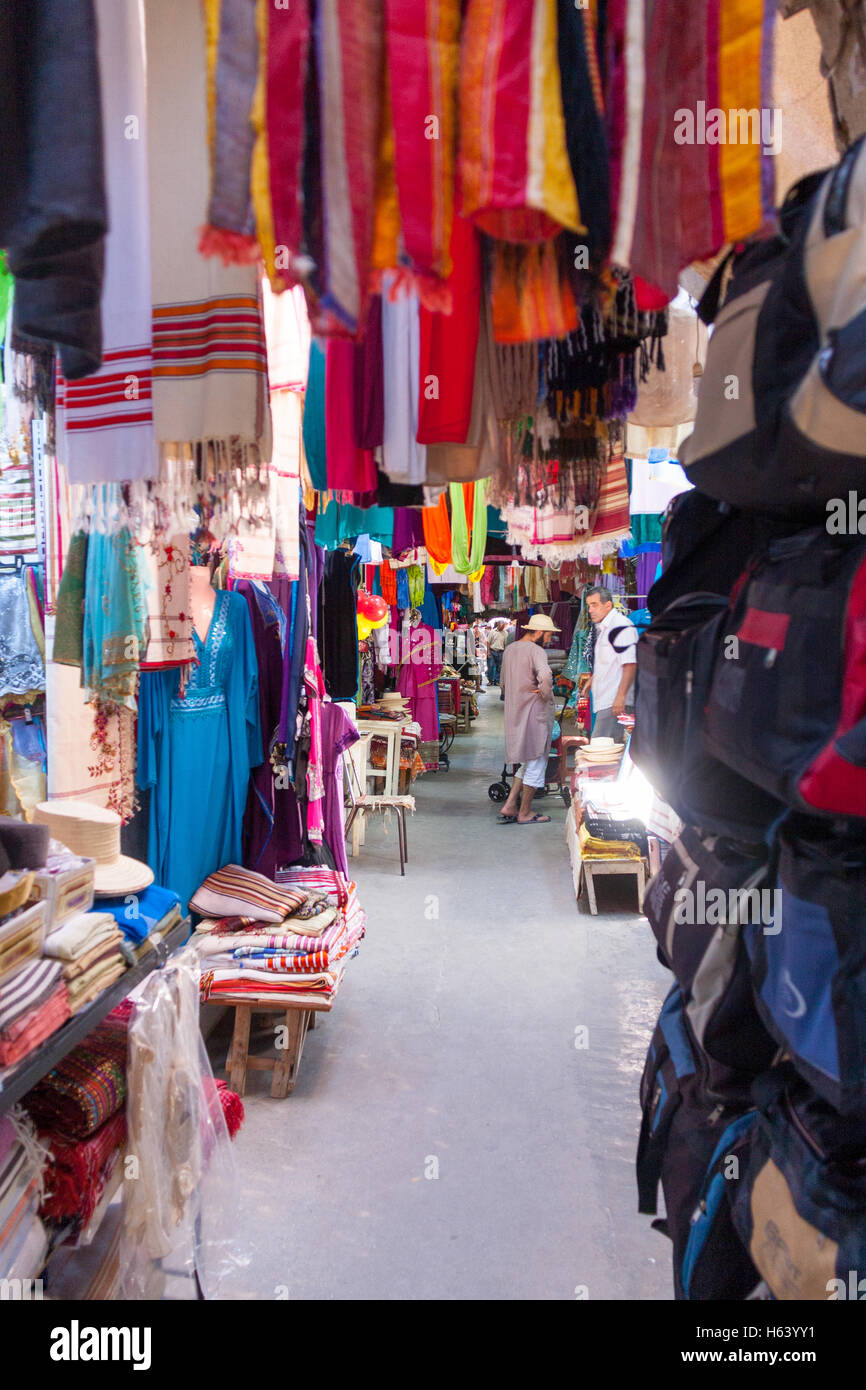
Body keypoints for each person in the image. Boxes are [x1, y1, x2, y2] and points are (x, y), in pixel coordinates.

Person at [497, 613, 559, 824]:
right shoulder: (536, 651)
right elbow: (546, 676)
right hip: (535, 714)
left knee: (526, 760)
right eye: (549, 635)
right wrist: (544, 693)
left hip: (515, 712)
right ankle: (524, 813)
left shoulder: (510, 649)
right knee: (537, 761)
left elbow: (503, 683)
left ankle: (510, 804)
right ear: (539, 632)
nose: (550, 639)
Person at [579, 586, 637, 743]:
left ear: (608, 605)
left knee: (602, 752)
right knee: (607, 752)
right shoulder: (604, 628)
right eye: (589, 605)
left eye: (595, 605)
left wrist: (621, 697)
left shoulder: (620, 626)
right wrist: (593, 680)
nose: (590, 610)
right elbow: (610, 661)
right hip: (607, 699)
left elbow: (630, 664)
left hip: (613, 701)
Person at [487, 618, 507, 685]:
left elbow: (505, 643)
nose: (503, 626)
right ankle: (490, 680)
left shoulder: (505, 633)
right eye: (502, 625)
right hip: (492, 651)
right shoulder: (492, 632)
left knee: (500, 667)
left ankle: (497, 681)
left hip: (501, 651)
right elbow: (488, 642)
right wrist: (488, 652)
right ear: (498, 624)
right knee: (490, 666)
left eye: (504, 625)